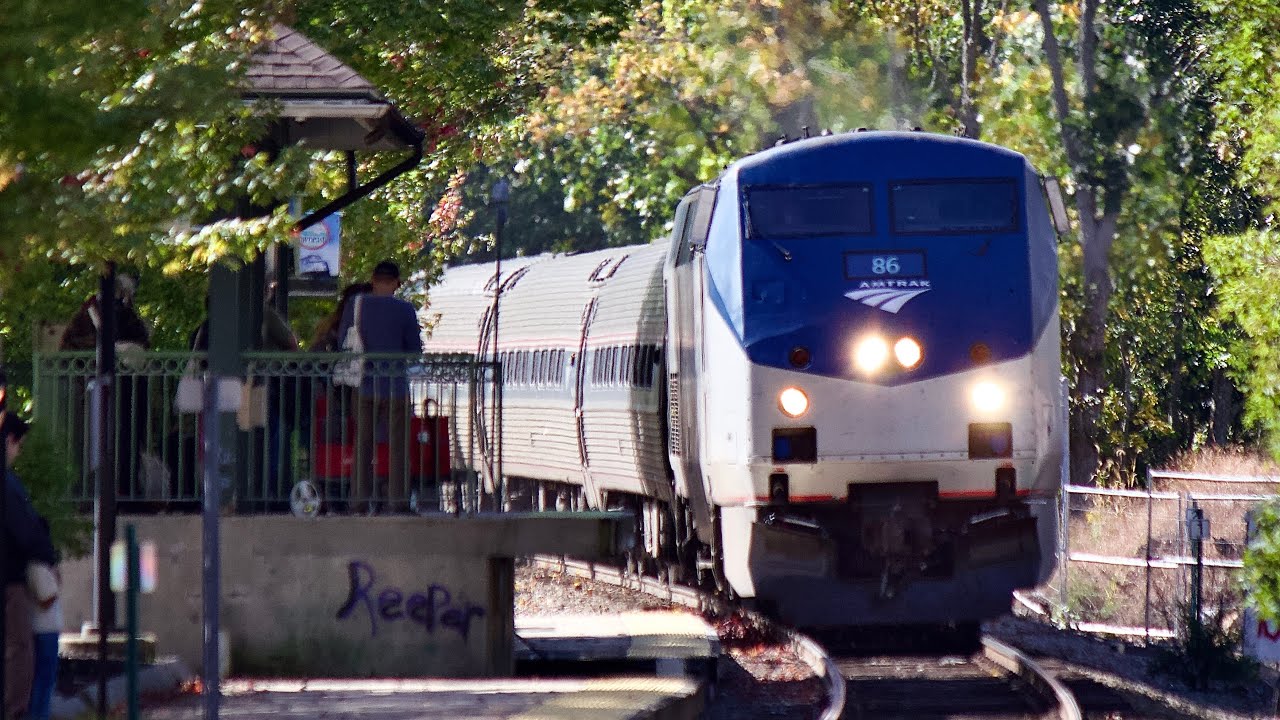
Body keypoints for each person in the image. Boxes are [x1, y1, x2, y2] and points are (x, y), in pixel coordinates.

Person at [59, 274, 151, 509]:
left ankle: (128, 492)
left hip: (127, 390)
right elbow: (71, 348)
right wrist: (107, 348)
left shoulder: (126, 313)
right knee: (97, 443)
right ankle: (95, 496)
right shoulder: (89, 313)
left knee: (127, 442)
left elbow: (141, 341)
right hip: (95, 391)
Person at [338, 261, 422, 513]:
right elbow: (414, 352)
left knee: (363, 443)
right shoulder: (405, 310)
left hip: (364, 384)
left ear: (373, 279)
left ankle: (359, 500)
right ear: (397, 283)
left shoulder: (357, 305)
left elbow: (344, 339)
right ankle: (398, 500)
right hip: (396, 387)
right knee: (399, 446)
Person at [2, 414, 56, 720]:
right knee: (20, 651)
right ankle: (15, 712)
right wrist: (48, 554)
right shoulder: (9, 485)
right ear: (9, 440)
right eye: (18, 444)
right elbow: (25, 531)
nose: (19, 451)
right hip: (11, 580)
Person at [25, 524, 59, 720]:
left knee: (43, 679)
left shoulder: (34, 566)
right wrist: (55, 584)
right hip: (44, 630)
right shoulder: (37, 567)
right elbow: (46, 599)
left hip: (42, 628)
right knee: (44, 680)